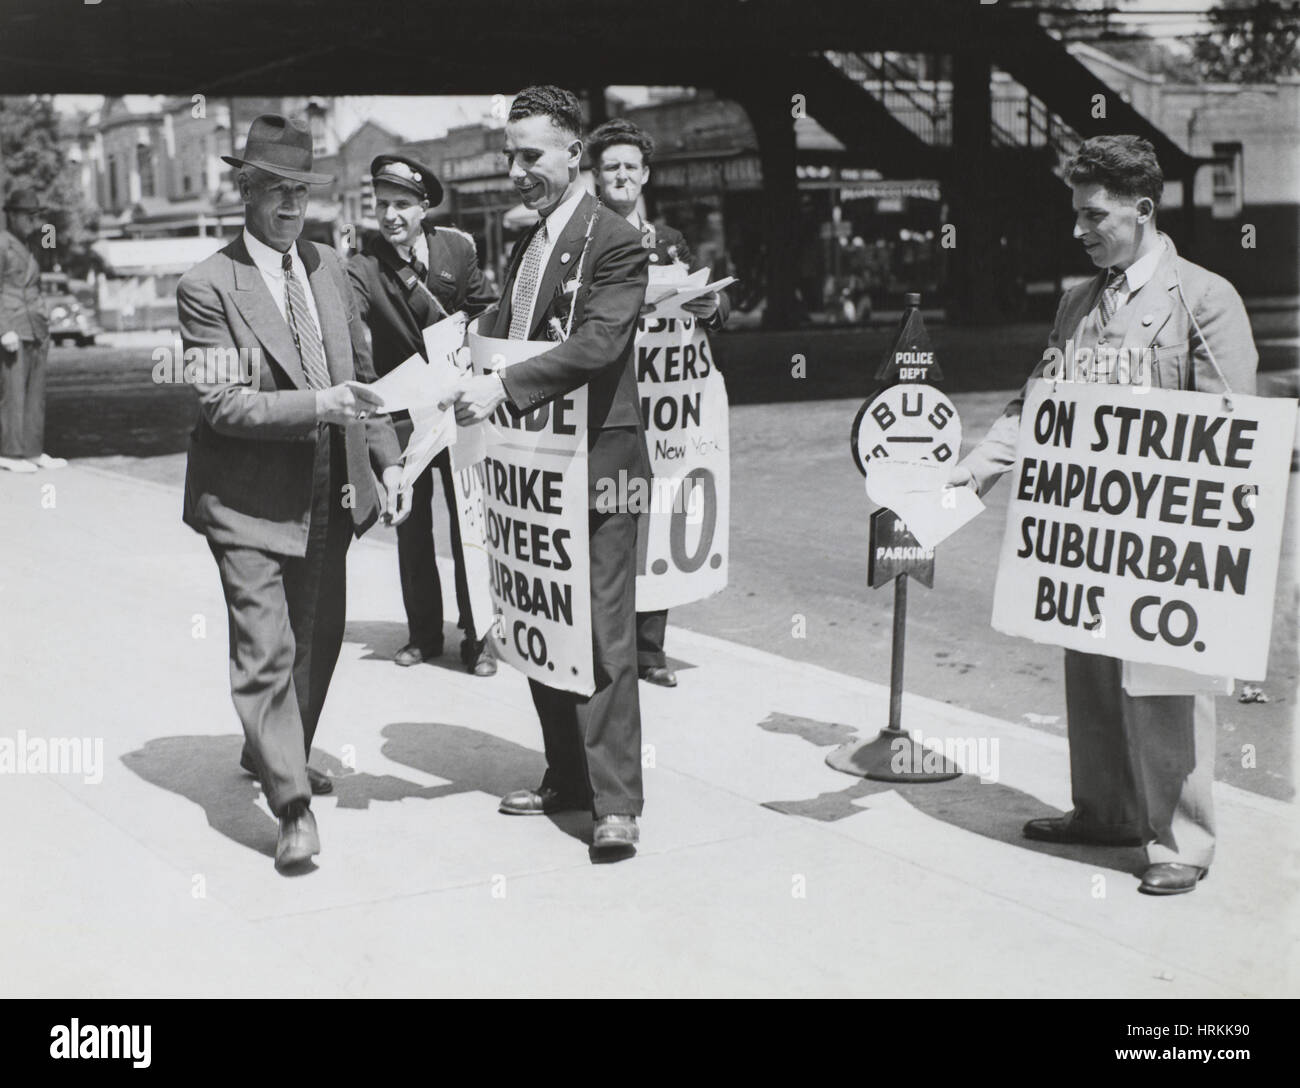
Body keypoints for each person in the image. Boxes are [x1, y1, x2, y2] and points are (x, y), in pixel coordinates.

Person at [950, 135, 1258, 896]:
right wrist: (967, 477)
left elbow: (1235, 427)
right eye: (1077, 214)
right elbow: (1037, 406)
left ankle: (1180, 838)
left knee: (1163, 679)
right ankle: (1108, 811)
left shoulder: (1205, 297)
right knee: (1088, 668)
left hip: (1163, 530)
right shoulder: (1077, 302)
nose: (1079, 230)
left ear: (1143, 210)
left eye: (1094, 215)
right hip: (1086, 523)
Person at [179, 115, 408, 872]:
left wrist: (388, 460)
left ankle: (278, 749)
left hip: (331, 489)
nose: (288, 207)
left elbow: (365, 376)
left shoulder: (331, 269)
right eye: (273, 191)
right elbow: (223, 405)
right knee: (267, 649)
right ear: (243, 189)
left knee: (318, 640)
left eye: (299, 192)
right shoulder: (206, 286)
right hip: (243, 500)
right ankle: (291, 806)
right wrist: (321, 406)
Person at [449, 86, 650, 853]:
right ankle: (566, 773)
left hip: (602, 464)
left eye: (530, 155)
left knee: (602, 632)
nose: (516, 170)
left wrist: (500, 385)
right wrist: (471, 343)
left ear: (575, 151)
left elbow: (600, 343)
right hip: (533, 468)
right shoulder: (528, 243)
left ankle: (616, 801)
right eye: (510, 155)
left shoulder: (616, 239)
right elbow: (515, 329)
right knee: (540, 618)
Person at [586, 117, 730, 688]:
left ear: (644, 175)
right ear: (596, 178)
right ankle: (608, 643)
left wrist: (707, 309)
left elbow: (714, 315)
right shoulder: (587, 239)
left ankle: (650, 649)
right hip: (611, 404)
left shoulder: (668, 241)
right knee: (614, 519)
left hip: (664, 404)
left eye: (629, 167)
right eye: (610, 168)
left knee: (661, 515)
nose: (621, 175)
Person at [348, 153, 499, 676]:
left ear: (424, 208)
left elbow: (484, 309)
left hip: (457, 410)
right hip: (406, 416)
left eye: (402, 205)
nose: (390, 214)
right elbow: (351, 318)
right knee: (411, 527)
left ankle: (477, 637)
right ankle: (423, 635)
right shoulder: (363, 264)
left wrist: (483, 371)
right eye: (382, 203)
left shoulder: (455, 248)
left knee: (468, 525)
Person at [0, 188, 65, 473]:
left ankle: (32, 451)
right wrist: (3, 329)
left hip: (35, 327)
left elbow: (34, 287)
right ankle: (10, 453)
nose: (32, 222)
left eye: (34, 216)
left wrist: (44, 316)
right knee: (13, 393)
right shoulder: (3, 244)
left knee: (35, 393)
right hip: (13, 324)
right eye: (27, 216)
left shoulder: (28, 246)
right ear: (11, 216)